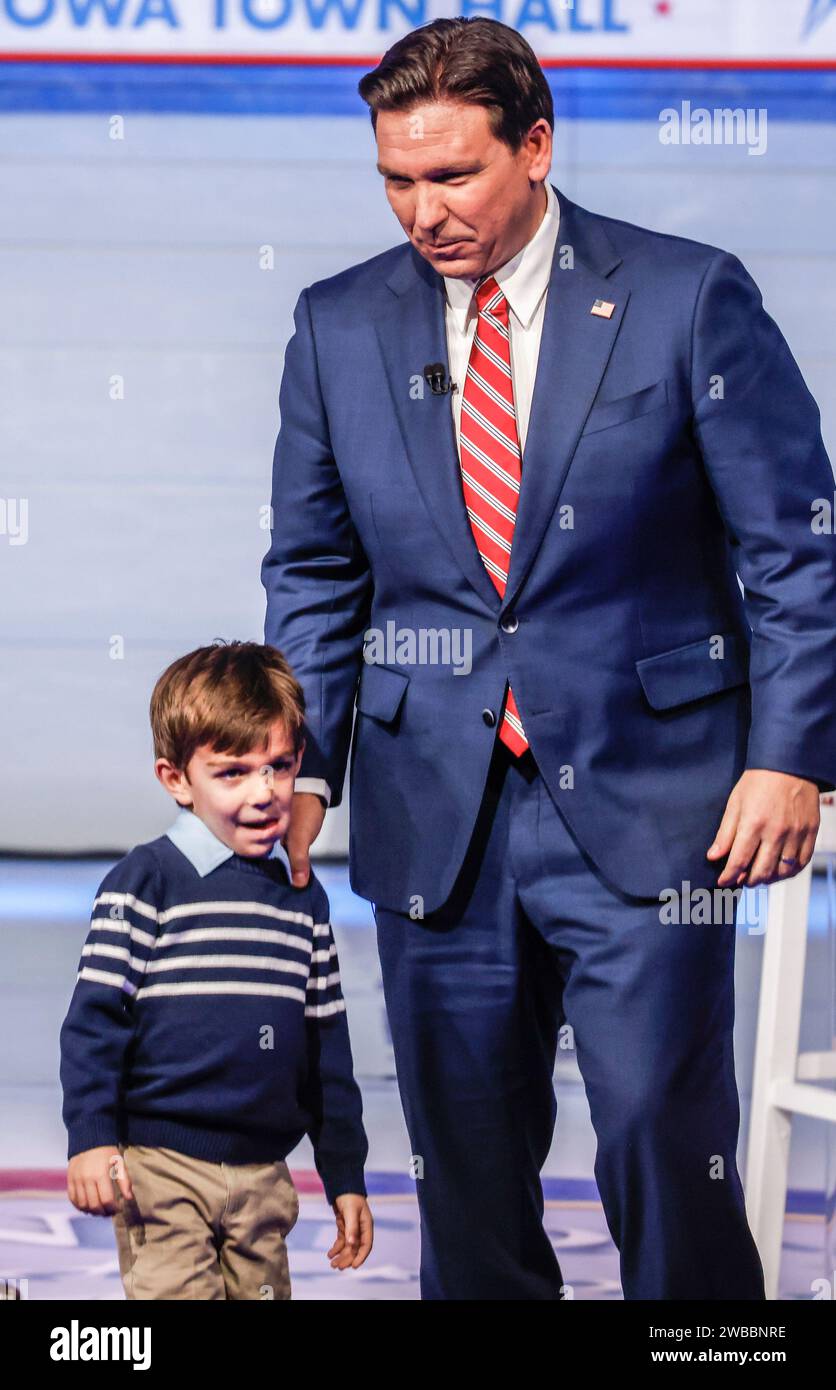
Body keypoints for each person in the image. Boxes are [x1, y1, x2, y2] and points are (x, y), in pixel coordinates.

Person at [261, 18, 836, 1299]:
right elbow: (312, 570)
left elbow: (796, 549)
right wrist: (302, 769)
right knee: (463, 1172)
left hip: (653, 803)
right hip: (433, 811)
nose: (424, 211)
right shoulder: (337, 322)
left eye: (452, 175)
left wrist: (788, 757)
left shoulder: (688, 295)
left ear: (534, 144)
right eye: (396, 181)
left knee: (657, 1142)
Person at [59, 640, 372, 1299]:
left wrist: (345, 1175)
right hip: (160, 1170)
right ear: (176, 779)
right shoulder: (144, 882)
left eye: (280, 766)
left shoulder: (302, 895)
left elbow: (326, 1052)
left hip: (265, 1177)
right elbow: (94, 1023)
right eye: (233, 772)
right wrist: (92, 1138)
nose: (264, 792)